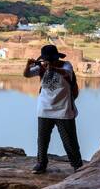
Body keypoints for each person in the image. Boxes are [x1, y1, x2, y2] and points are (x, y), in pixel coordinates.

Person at [23, 44, 83, 174]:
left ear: (57, 58)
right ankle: (41, 164)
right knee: (42, 140)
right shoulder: (41, 68)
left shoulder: (66, 65)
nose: (48, 62)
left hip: (64, 110)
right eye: (46, 60)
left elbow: (67, 73)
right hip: (44, 109)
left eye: (51, 59)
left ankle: (77, 165)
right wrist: (28, 65)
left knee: (70, 140)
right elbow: (26, 75)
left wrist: (53, 68)